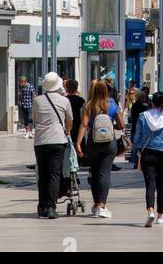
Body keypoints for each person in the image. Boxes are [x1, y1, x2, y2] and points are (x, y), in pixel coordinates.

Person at [76, 78, 124, 218]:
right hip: (109, 142)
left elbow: (84, 124)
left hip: (93, 142)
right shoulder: (112, 104)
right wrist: (110, 126)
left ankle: (96, 204)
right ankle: (102, 206)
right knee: (105, 172)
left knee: (95, 172)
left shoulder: (88, 105)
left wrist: (78, 143)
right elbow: (121, 125)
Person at [31, 72, 73, 219]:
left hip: (40, 141)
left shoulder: (37, 100)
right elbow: (69, 120)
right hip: (57, 140)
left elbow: (35, 119)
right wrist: (67, 131)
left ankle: (42, 205)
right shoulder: (64, 101)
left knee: (42, 174)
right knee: (54, 173)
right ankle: (50, 206)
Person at [134, 90, 163, 226]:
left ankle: (150, 211)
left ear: (152, 102)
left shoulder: (143, 116)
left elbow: (137, 137)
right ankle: (160, 215)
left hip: (147, 154)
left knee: (150, 184)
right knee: (161, 186)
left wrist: (138, 152)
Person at [129, 85, 151, 164]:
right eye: (144, 96)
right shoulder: (142, 106)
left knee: (135, 145)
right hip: (140, 128)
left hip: (136, 128)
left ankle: (135, 161)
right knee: (138, 145)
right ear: (141, 97)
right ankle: (137, 161)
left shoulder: (136, 105)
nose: (146, 97)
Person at [63, 79, 85, 146]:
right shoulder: (81, 100)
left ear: (66, 88)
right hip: (78, 129)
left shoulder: (63, 100)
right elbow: (83, 116)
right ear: (76, 88)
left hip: (66, 129)